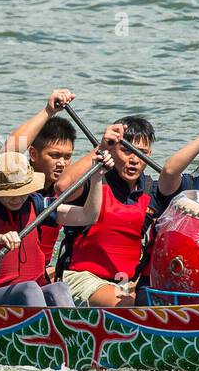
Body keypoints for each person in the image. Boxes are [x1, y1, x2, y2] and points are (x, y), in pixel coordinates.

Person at [0, 150, 112, 308]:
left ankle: (69, 329)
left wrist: (97, 177)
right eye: (10, 193)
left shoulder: (35, 203)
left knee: (59, 288)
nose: (17, 198)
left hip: (33, 291)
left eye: (22, 192)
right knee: (29, 288)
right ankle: (44, 330)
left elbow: (87, 216)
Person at [52, 117, 165, 307]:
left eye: (142, 153)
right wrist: (102, 147)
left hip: (125, 281)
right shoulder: (95, 178)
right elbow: (62, 187)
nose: (134, 160)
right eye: (126, 150)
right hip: (83, 277)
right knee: (130, 304)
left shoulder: (151, 189)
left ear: (149, 154)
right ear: (113, 149)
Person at [5, 89, 79, 270]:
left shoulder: (65, 189)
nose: (62, 163)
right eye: (54, 155)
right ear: (33, 154)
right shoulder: (15, 180)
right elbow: (8, 152)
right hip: (7, 269)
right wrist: (48, 111)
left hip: (41, 270)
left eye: (67, 156)